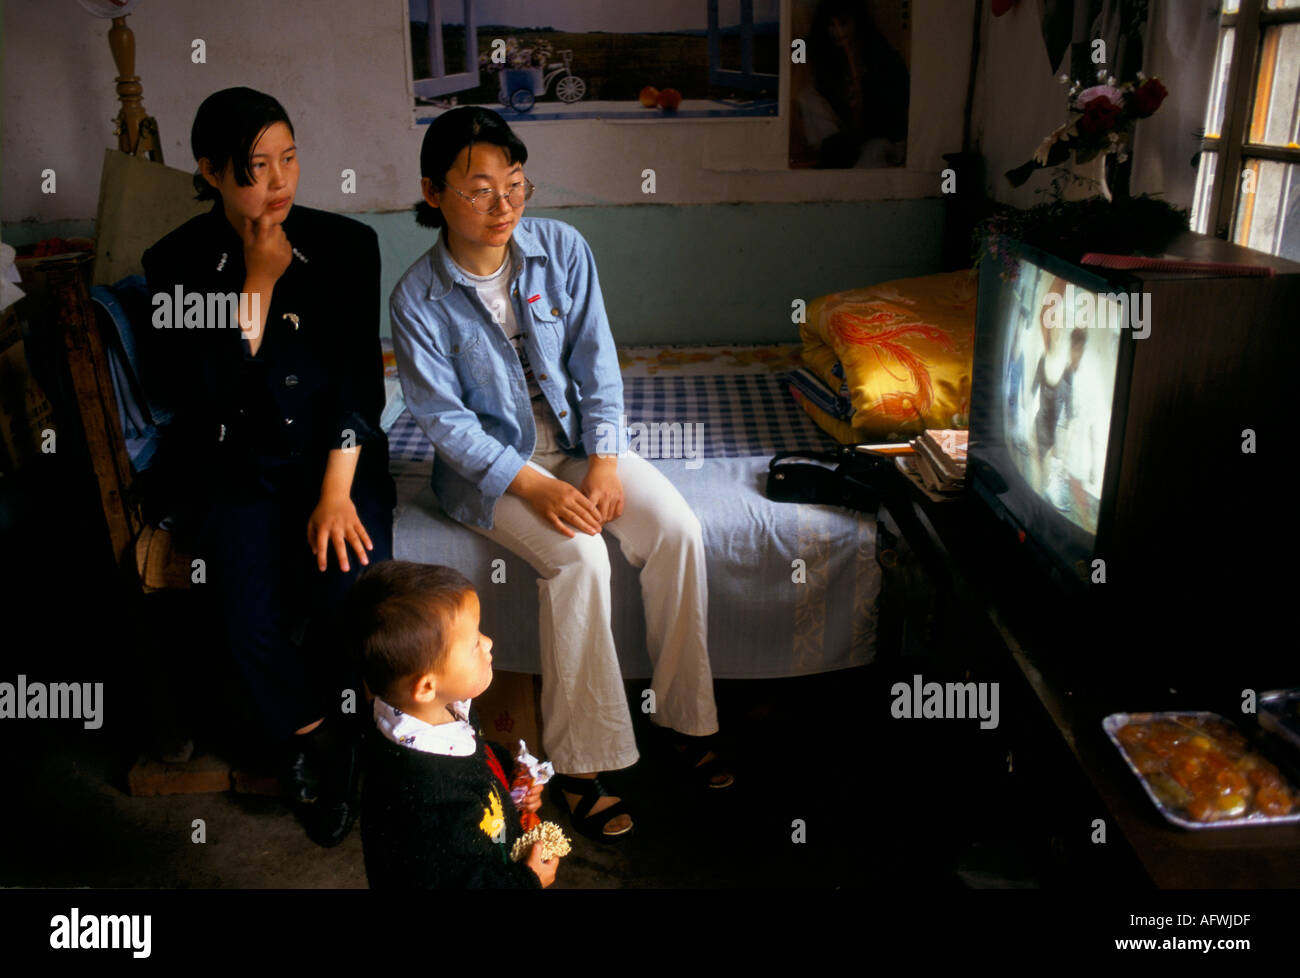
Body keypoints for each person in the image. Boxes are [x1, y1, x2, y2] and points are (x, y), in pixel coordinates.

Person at [388, 106, 732, 841]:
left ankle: (686, 720)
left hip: (579, 443)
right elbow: (446, 426)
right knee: (580, 560)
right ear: (432, 192)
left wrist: (604, 459)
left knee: (676, 529)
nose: (503, 205)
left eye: (515, 185)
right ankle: (582, 764)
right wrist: (535, 484)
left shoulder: (562, 250)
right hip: (494, 473)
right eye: (479, 190)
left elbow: (597, 364)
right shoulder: (418, 298)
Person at [141, 87, 395, 847]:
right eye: (256, 168)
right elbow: (193, 394)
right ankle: (320, 736)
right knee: (242, 615)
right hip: (237, 467)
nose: (280, 182)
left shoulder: (348, 246)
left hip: (336, 464)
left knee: (346, 586)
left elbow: (360, 389)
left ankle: (346, 731)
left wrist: (337, 493)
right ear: (211, 171)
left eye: (289, 159)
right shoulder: (175, 263)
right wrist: (256, 280)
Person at [347, 560, 556, 888]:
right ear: (427, 686)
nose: (488, 643)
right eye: (473, 643)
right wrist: (528, 880)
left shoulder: (434, 713)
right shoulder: (427, 801)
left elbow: (475, 758)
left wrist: (511, 779)